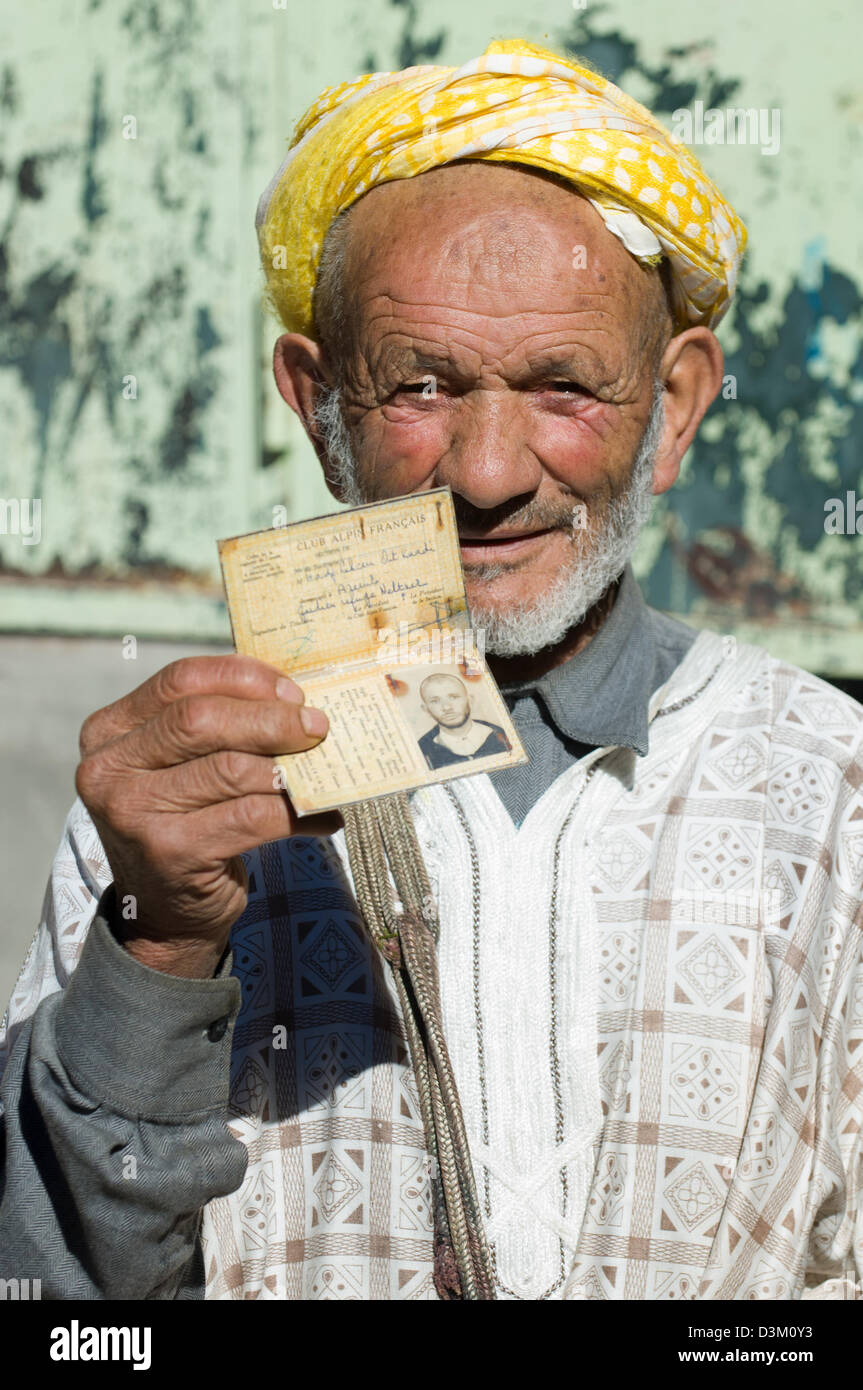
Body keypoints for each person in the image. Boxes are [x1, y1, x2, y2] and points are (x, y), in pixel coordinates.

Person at [1, 39, 861, 1302]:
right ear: (316, 404)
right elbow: (65, 1308)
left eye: (564, 385)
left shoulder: (825, 788)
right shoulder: (182, 798)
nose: (490, 469)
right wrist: (162, 941)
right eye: (417, 383)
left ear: (674, 410)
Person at [416, 674, 511, 769]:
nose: (446, 707)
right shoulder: (422, 751)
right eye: (435, 701)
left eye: (453, 697)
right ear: (426, 709)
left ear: (470, 700)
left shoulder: (504, 735)